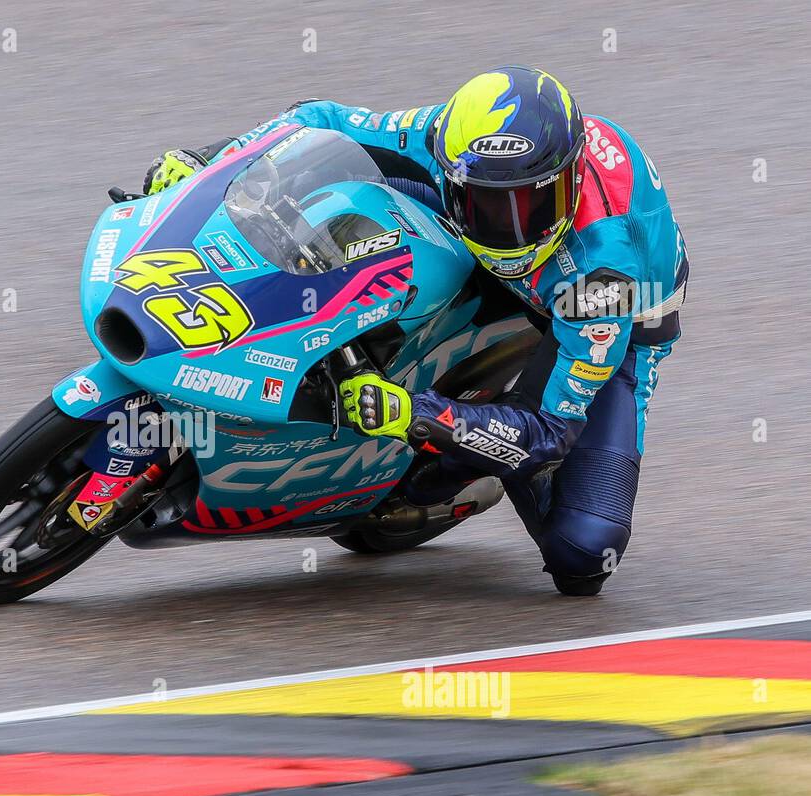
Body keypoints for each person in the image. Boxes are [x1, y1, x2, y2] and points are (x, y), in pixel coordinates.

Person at [142, 66, 686, 596]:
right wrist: (209, 161)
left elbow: (551, 430)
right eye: (487, 202)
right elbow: (316, 121)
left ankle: (465, 467)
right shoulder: (444, 133)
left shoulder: (605, 274)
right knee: (342, 179)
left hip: (618, 324)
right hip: (495, 258)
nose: (509, 225)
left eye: (530, 202)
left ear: (568, 179)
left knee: (585, 552)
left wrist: (415, 416)